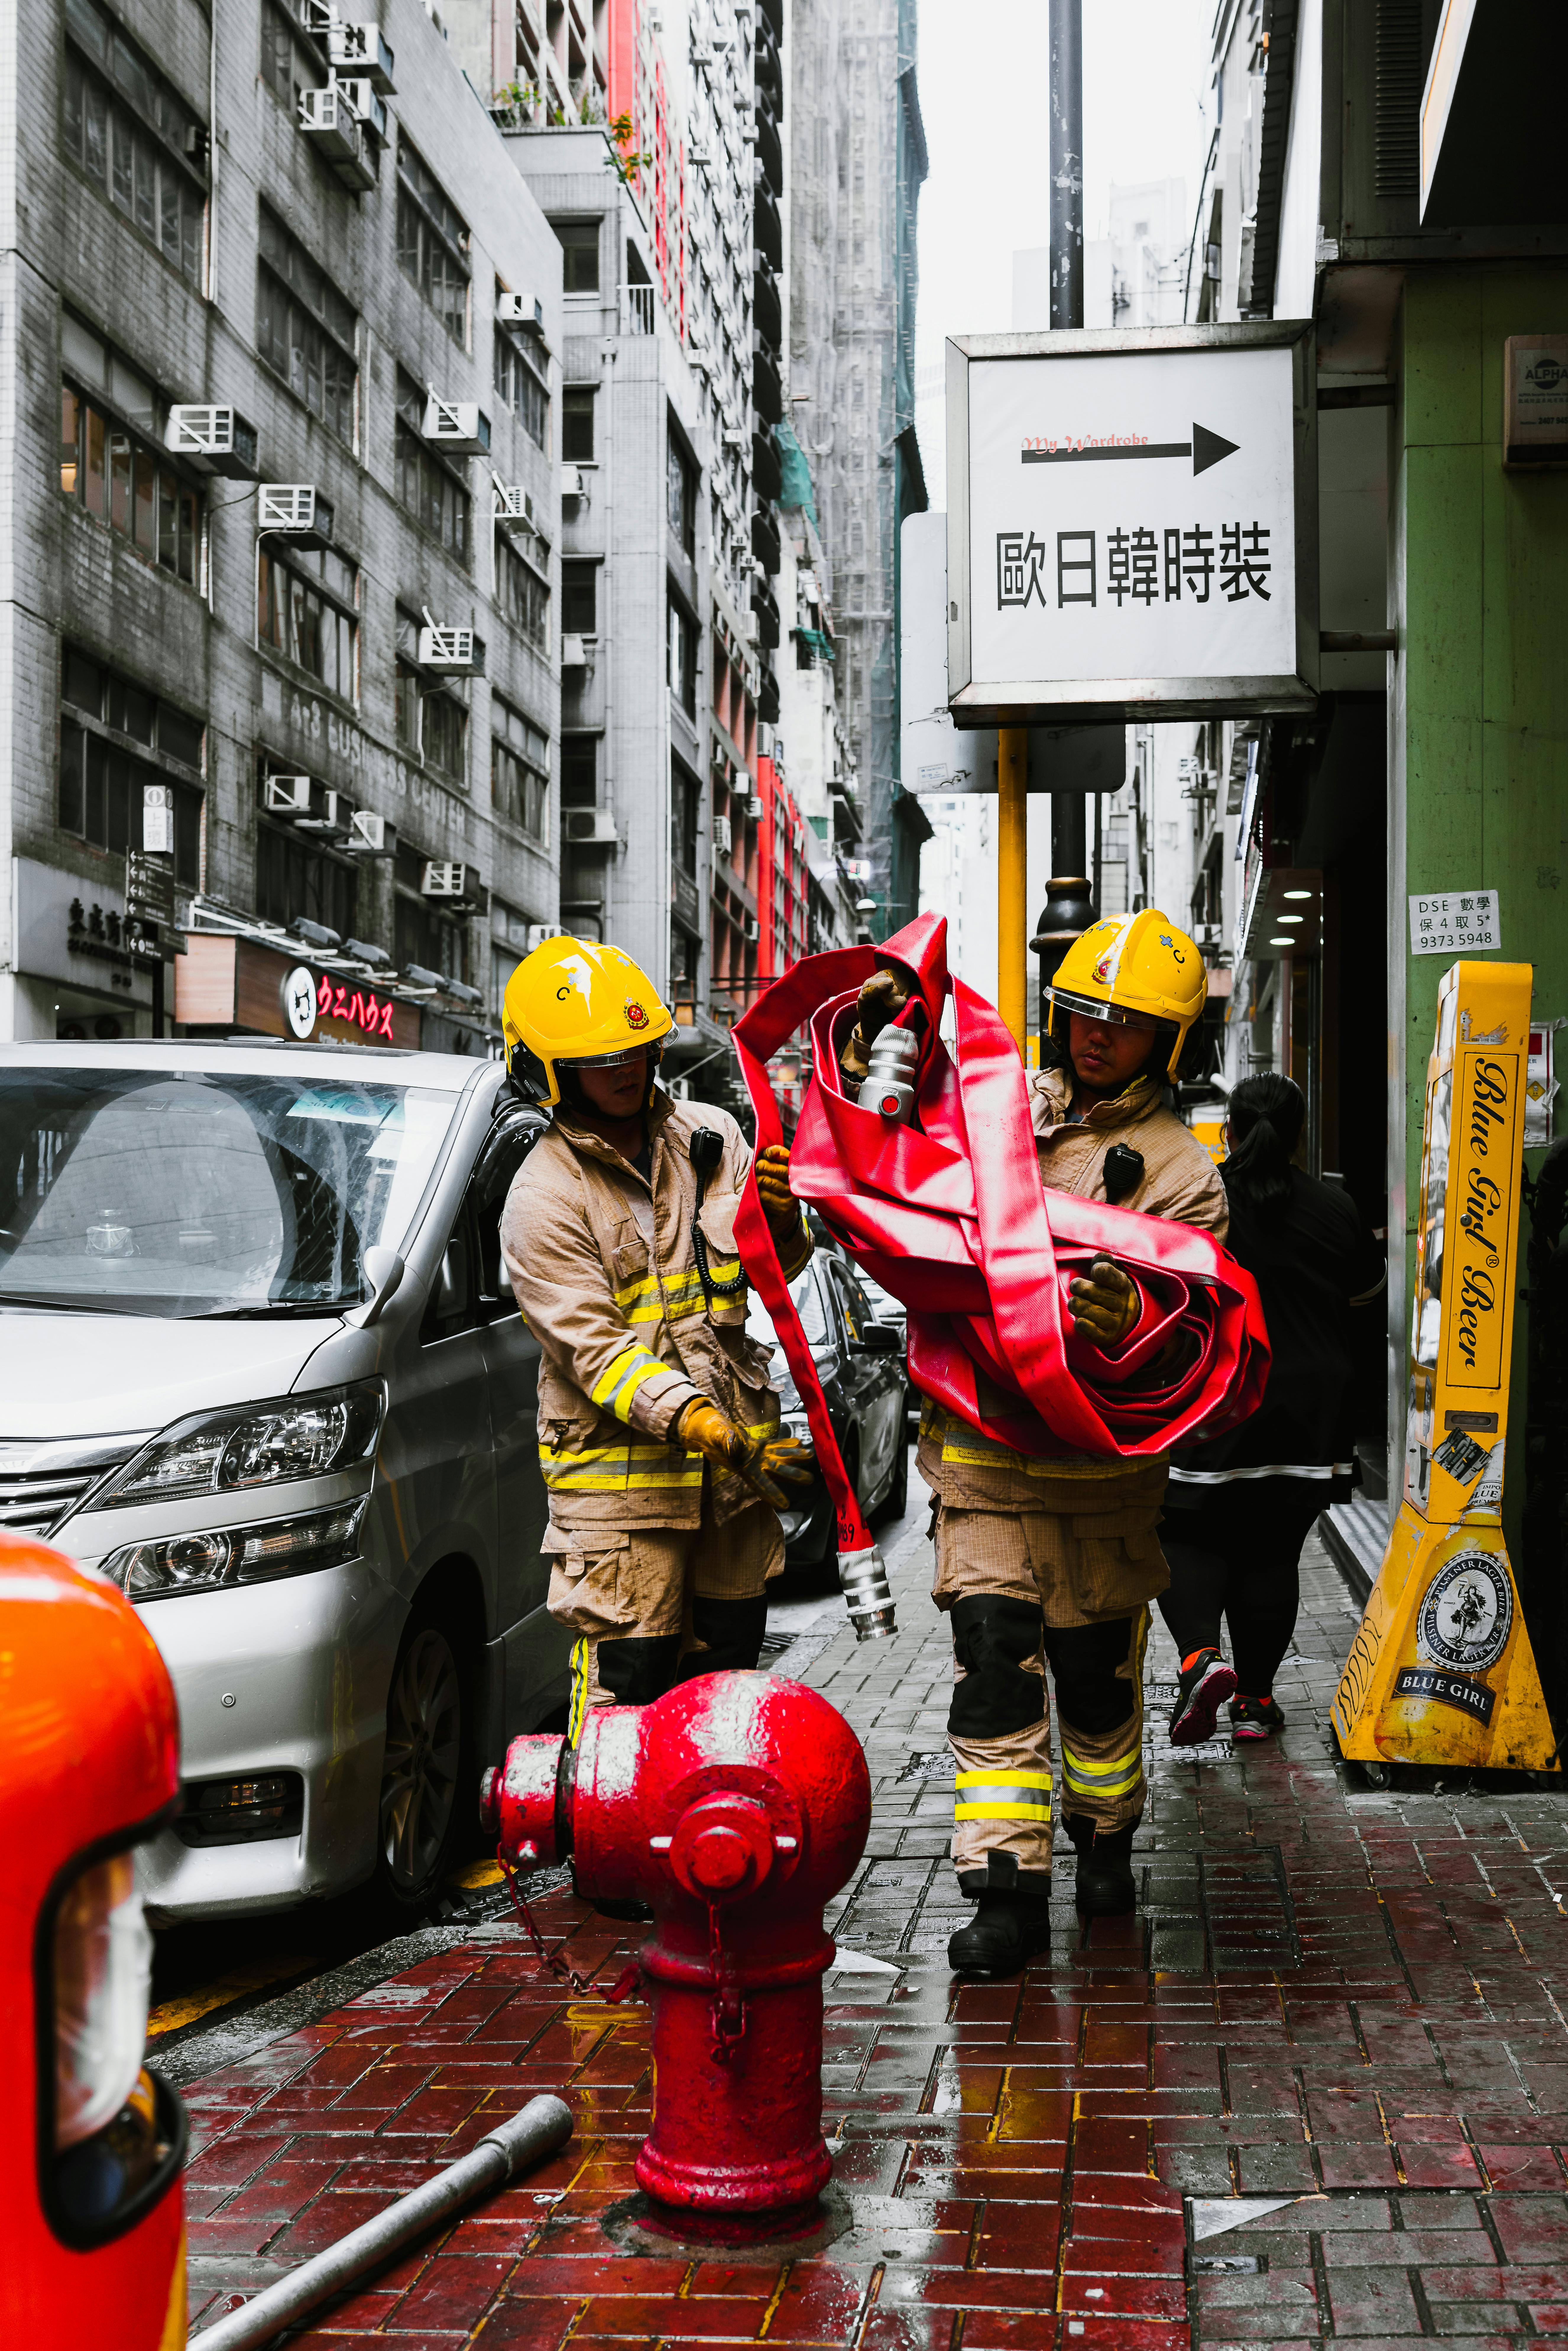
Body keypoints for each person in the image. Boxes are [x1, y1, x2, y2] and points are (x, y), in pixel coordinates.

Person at [842, 910, 1227, 1972]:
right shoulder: (1000, 1109)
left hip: (1099, 1488)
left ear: (1170, 1042)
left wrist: (1129, 1328)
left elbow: (1192, 1337)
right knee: (994, 1680)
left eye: (1127, 1023)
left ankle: (1106, 1840)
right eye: (1080, 1011)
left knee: (1097, 1689)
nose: (1095, 1034)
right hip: (979, 1467)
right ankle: (1001, 1891)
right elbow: (900, 1163)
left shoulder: (1185, 1175)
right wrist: (870, 1044)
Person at [498, 936, 816, 1735]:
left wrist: (782, 1218)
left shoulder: (710, 1139)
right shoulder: (543, 1195)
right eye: (600, 1056)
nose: (626, 1068)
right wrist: (701, 1420)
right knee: (625, 1730)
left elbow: (775, 1272)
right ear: (547, 1068)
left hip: (733, 1492)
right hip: (621, 1515)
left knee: (724, 1715)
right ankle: (609, 1866)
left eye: (637, 1049)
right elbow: (595, 1351)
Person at [1159, 1073, 1385, 1745]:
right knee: (1272, 1549)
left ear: (1229, 1130)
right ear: (1299, 1134)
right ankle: (1256, 1703)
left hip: (1218, 1399)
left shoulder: (1199, 1199)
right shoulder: (1336, 1207)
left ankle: (1201, 1657)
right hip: (1308, 1411)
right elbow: (1365, 1305)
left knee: (1184, 1532)